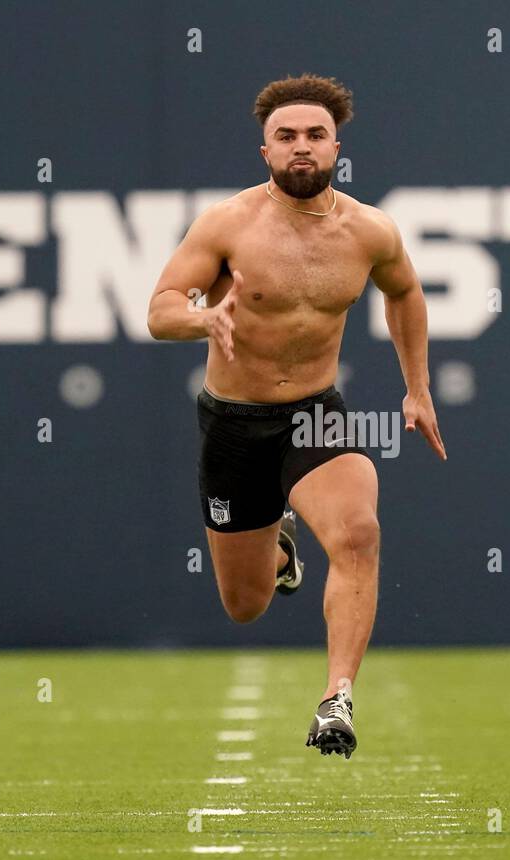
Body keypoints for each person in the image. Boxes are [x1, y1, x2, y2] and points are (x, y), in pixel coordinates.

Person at [147, 73, 446, 758]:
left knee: (358, 533)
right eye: (287, 138)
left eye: (314, 135)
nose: (301, 148)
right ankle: (278, 546)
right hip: (233, 422)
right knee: (244, 604)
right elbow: (160, 311)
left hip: (316, 414)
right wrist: (204, 318)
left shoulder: (370, 230)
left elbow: (405, 295)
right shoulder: (227, 225)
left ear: (336, 146)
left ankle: (336, 699)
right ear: (266, 153)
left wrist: (417, 389)